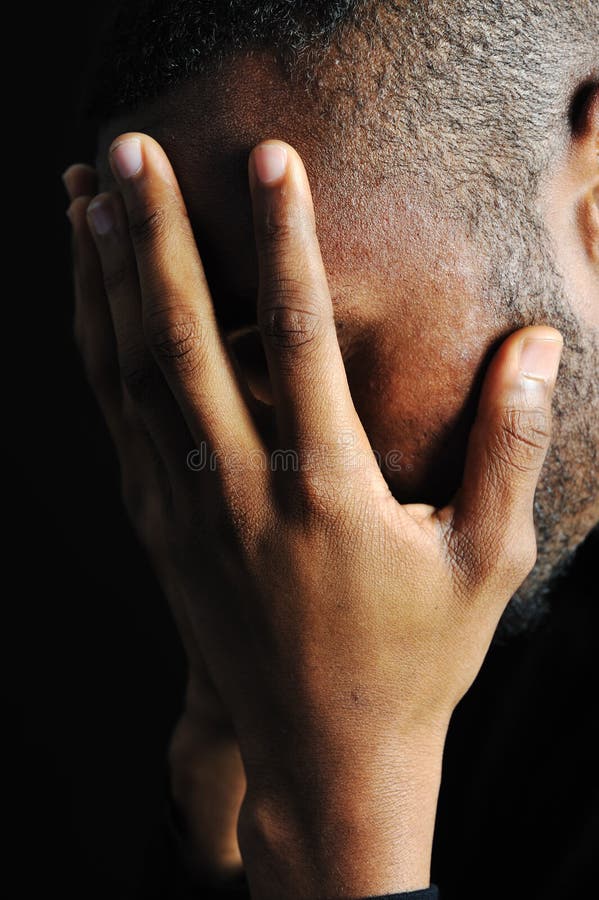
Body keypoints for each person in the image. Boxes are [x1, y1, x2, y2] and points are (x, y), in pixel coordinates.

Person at [63, 1, 598, 897]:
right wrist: (232, 748)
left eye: (306, 341)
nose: (235, 456)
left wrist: (339, 828)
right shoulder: (417, 651)